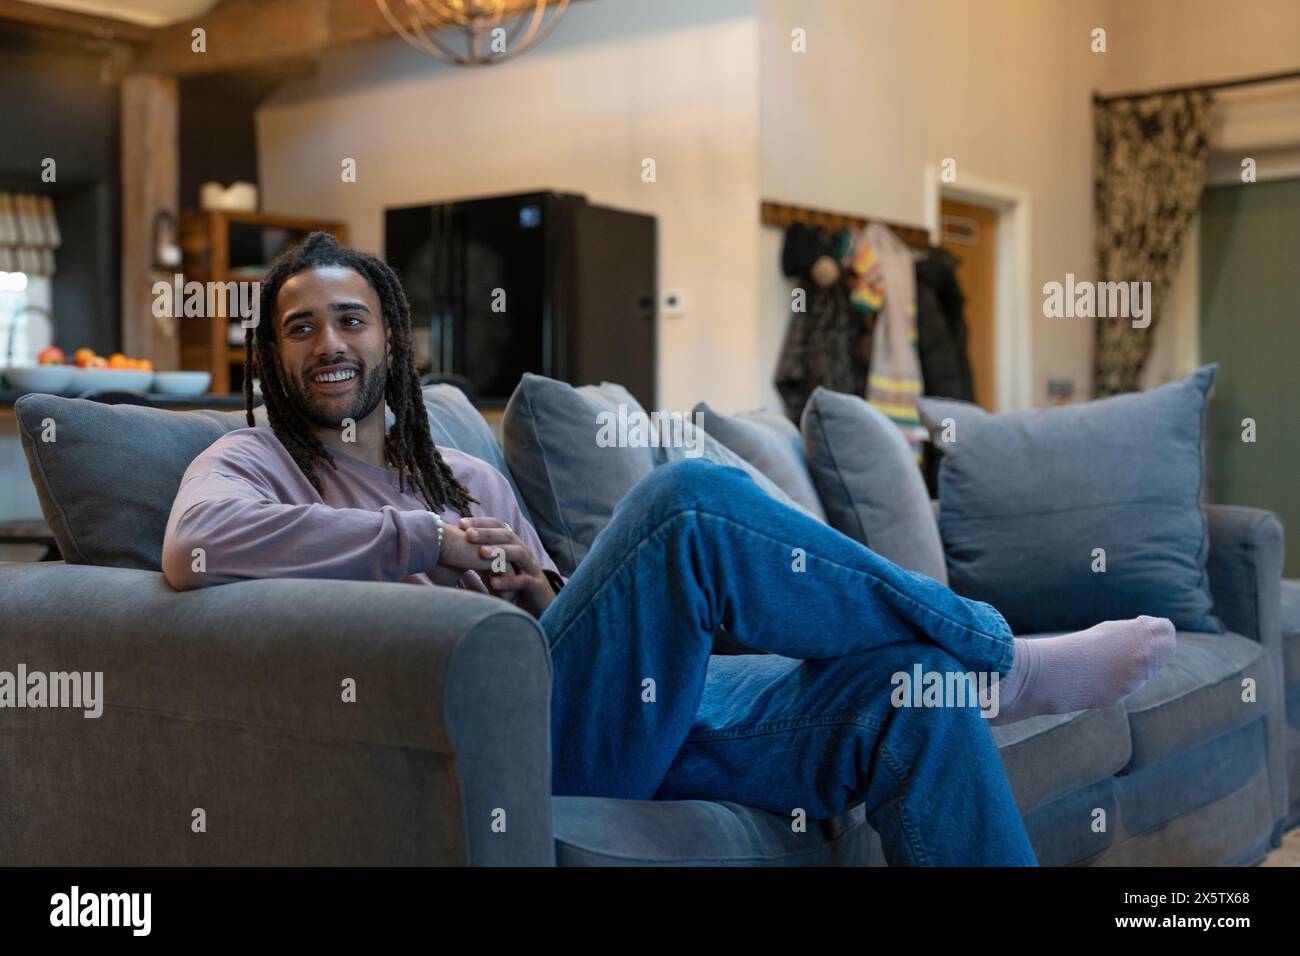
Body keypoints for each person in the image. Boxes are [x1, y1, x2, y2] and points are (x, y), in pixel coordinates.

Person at [162, 232, 1176, 866]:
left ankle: (959, 665)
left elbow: (552, 622)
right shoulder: (248, 460)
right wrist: (415, 537)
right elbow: (193, 546)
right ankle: (998, 653)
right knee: (687, 501)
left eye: (350, 319)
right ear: (272, 353)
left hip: (608, 709)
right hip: (502, 735)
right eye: (301, 328)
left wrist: (534, 579)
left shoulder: (468, 475)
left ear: (390, 337)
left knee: (913, 688)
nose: (328, 343)